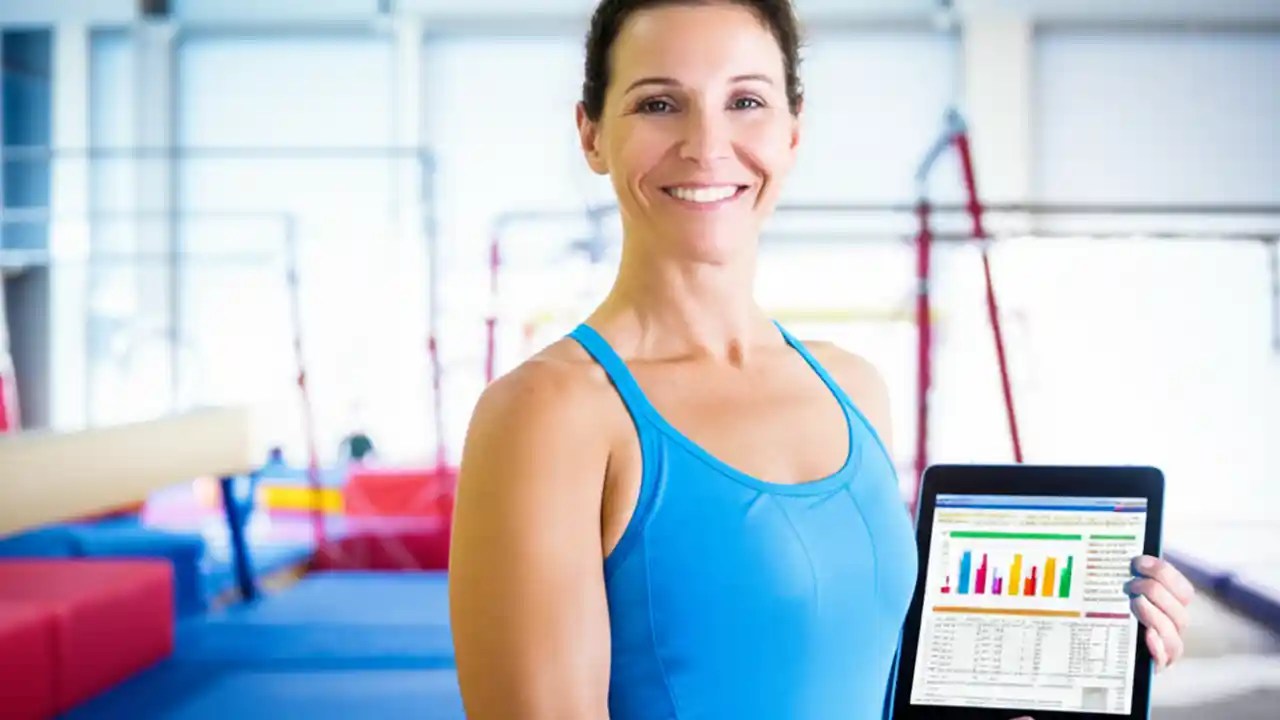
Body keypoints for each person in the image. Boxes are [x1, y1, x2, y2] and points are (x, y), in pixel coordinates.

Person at [448, 1, 1196, 718]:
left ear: (792, 134)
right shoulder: (550, 414)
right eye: (658, 104)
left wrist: (1060, 671)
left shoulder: (854, 388)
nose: (707, 145)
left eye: (745, 102)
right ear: (591, 135)